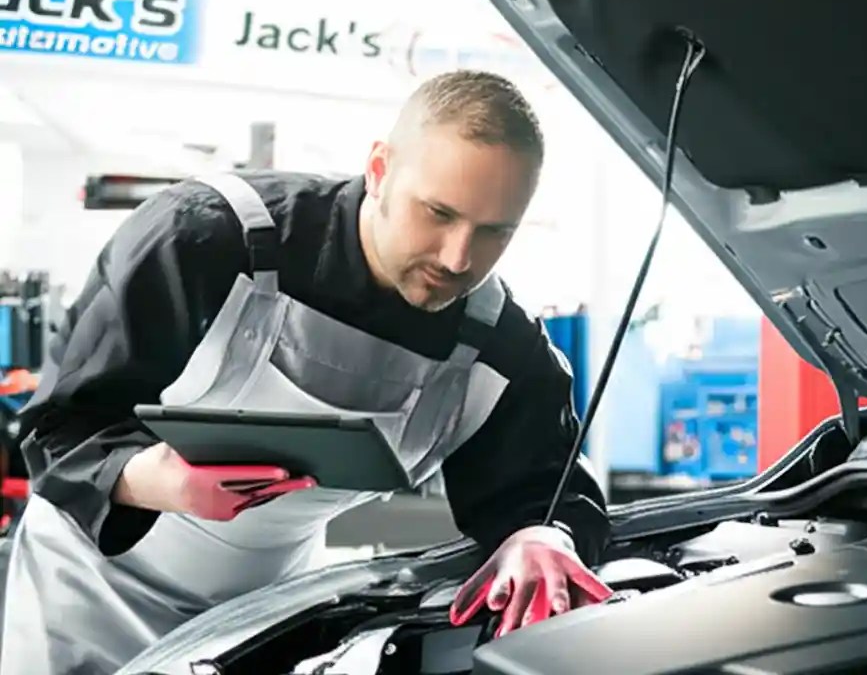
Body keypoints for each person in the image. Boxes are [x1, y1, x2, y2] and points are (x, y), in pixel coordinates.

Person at [0, 70, 613, 675]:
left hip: (260, 616)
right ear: (378, 170)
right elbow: (56, 426)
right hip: (86, 595)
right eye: (437, 213)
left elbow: (546, 490)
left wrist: (544, 535)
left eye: (494, 232)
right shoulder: (203, 238)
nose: (458, 257)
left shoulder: (502, 344)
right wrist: (148, 479)